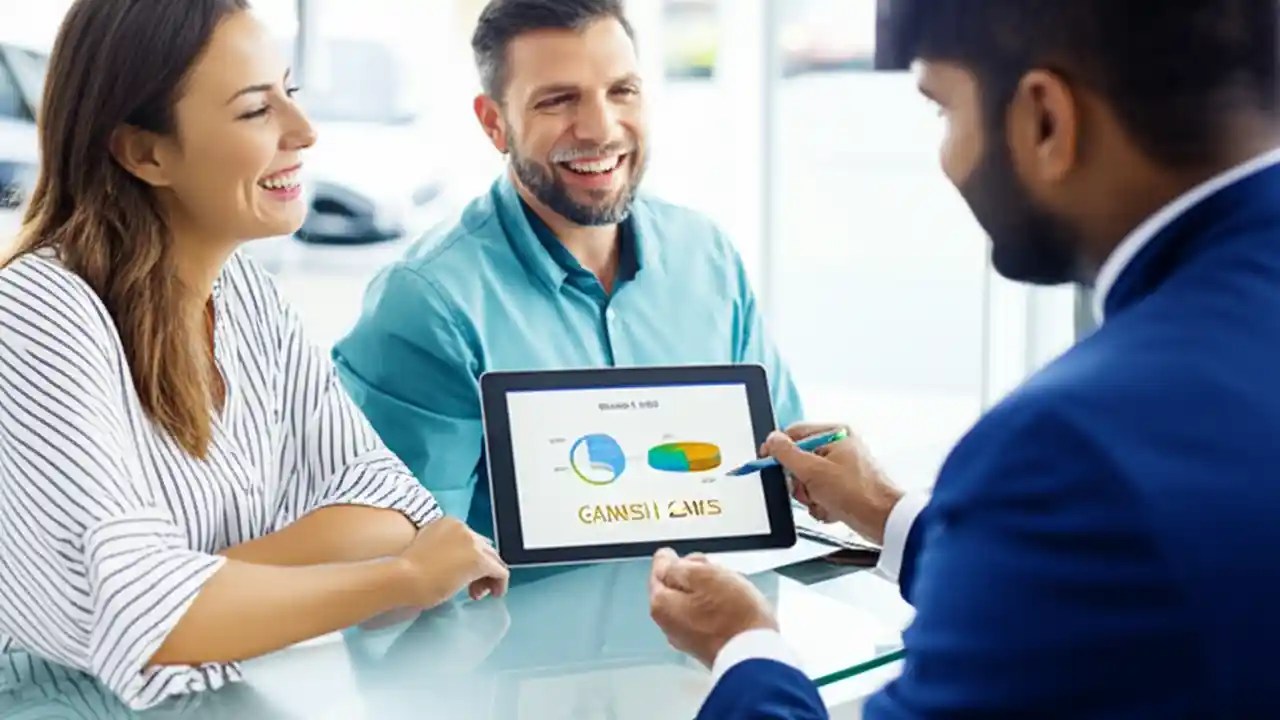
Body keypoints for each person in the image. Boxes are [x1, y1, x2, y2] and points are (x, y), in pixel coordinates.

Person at [647, 0, 1280, 717]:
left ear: (1044, 118)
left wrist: (745, 647)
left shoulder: (1065, 449)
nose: (946, 161)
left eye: (942, 111)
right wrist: (890, 513)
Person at [0, 0, 508, 711]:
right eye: (253, 111)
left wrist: (190, 591)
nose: (304, 132)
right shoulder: (36, 312)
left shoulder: (245, 294)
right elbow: (150, 621)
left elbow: (390, 506)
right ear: (145, 152)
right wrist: (402, 580)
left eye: (289, 94)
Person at [333, 0, 803, 536]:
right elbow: (406, 570)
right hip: (521, 621)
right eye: (558, 101)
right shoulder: (426, 306)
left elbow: (782, 463)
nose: (600, 129)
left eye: (621, 91)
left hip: (718, 613)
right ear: (494, 124)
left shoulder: (706, 256)